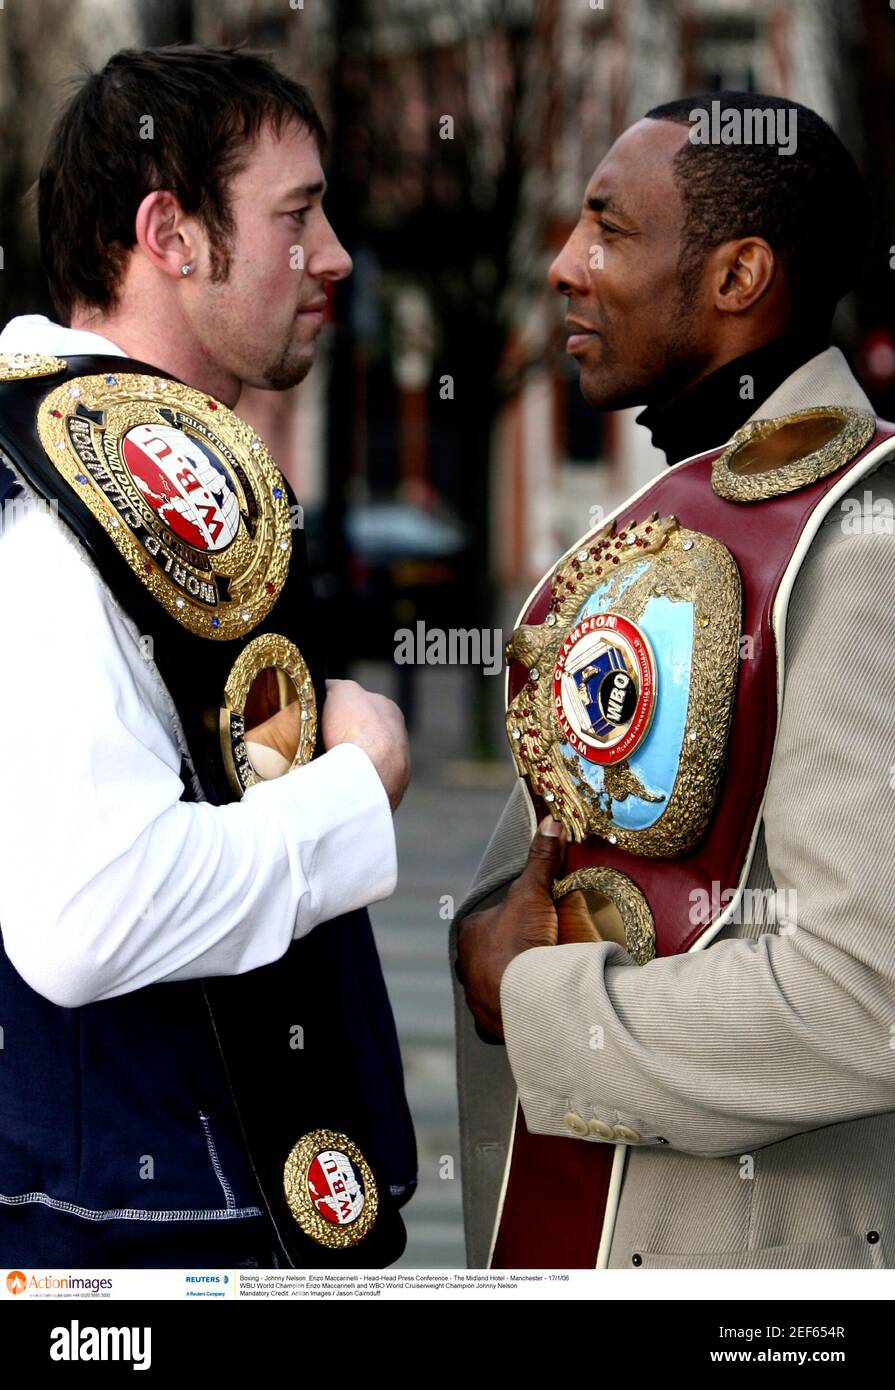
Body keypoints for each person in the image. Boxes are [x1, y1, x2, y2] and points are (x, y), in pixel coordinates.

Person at [453, 92, 895, 1269]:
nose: (565, 265)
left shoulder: (865, 542)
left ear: (738, 275)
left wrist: (534, 1003)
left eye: (609, 229)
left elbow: (867, 997)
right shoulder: (687, 507)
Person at [0, 45, 414, 1268]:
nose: (333, 253)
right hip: (137, 1244)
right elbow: (88, 916)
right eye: (296, 214)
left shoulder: (127, 465)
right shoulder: (62, 499)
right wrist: (359, 783)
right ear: (167, 233)